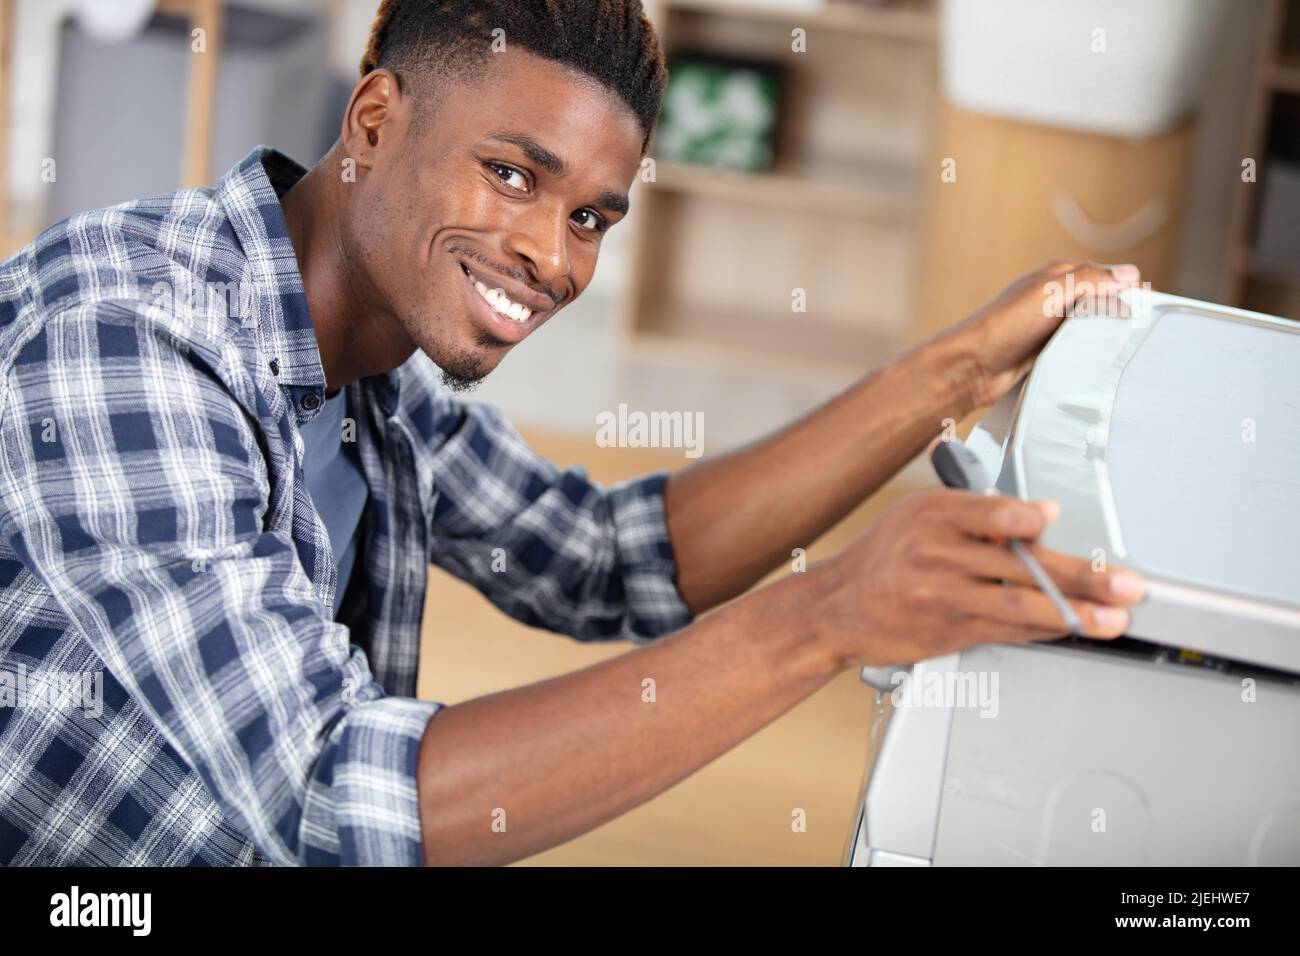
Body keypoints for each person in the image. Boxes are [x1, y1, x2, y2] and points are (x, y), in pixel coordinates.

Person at [0, 0, 1145, 866]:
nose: (554, 256)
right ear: (375, 121)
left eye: (590, 215)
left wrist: (962, 365)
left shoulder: (373, 359)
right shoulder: (128, 337)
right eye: (511, 174)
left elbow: (602, 554)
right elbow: (327, 787)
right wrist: (831, 613)